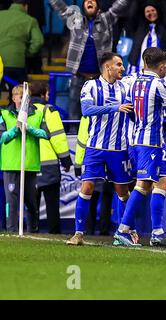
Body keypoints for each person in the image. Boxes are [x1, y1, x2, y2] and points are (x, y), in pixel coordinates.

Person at [113, 47, 166, 246]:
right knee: (143, 185)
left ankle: (157, 232)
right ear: (160, 67)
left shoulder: (133, 83)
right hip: (150, 143)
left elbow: (129, 111)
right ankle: (122, 230)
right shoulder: (160, 85)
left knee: (162, 184)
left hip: (137, 140)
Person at [66, 52, 134, 245]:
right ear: (107, 67)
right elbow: (86, 111)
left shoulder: (126, 86)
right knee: (87, 186)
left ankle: (125, 231)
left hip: (119, 148)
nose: (122, 68)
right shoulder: (91, 86)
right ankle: (78, 233)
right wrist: (115, 107)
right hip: (95, 147)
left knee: (122, 192)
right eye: (119, 64)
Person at [49, 0, 130, 124]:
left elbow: (121, 4)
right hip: (79, 76)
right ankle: (73, 136)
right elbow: (61, 8)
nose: (90, 1)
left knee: (99, 113)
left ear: (98, 6)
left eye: (93, 0)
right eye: (87, 0)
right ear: (83, 6)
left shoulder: (106, 19)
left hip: (100, 78)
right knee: (74, 113)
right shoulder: (75, 20)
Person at [0, 84, 49, 233]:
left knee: (31, 202)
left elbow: (46, 134)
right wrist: (16, 129)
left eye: (26, 98)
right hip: (11, 164)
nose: (23, 101)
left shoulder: (38, 114)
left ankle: (33, 230)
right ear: (14, 98)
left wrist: (29, 128)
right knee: (12, 201)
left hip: (30, 164)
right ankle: (12, 230)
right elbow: (2, 137)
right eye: (21, 97)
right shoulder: (4, 114)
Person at [30, 81, 72, 234]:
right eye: (47, 93)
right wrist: (66, 160)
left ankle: (30, 232)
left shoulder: (23, 111)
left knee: (31, 204)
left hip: (28, 164)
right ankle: (54, 233)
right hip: (49, 166)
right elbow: (58, 137)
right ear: (43, 94)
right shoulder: (49, 111)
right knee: (52, 204)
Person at [0, 0, 44, 85]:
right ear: (26, 6)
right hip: (16, 63)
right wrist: (27, 53)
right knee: (19, 92)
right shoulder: (30, 20)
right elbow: (38, 41)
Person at [126, 1, 166, 75]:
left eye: (153, 10)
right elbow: (132, 14)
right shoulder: (139, 27)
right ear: (144, 14)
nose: (151, 13)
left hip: (158, 68)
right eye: (147, 11)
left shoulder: (164, 27)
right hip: (137, 67)